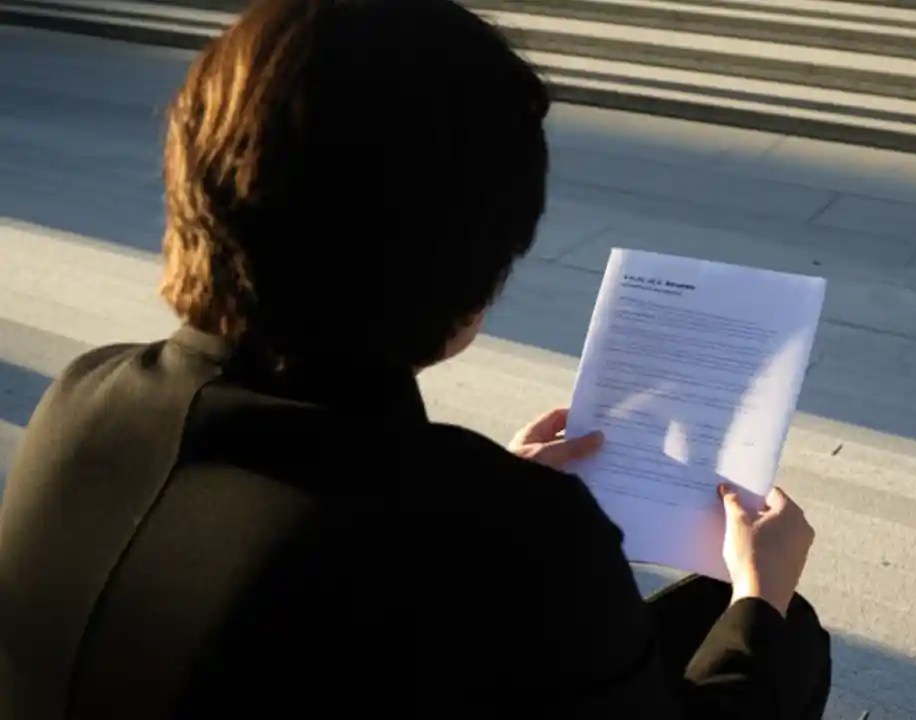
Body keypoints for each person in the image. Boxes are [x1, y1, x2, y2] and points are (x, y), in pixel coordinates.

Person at [0, 0, 831, 717]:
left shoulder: (85, 397)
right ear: (469, 274)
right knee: (778, 637)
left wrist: (485, 494)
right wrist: (763, 602)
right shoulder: (523, 541)